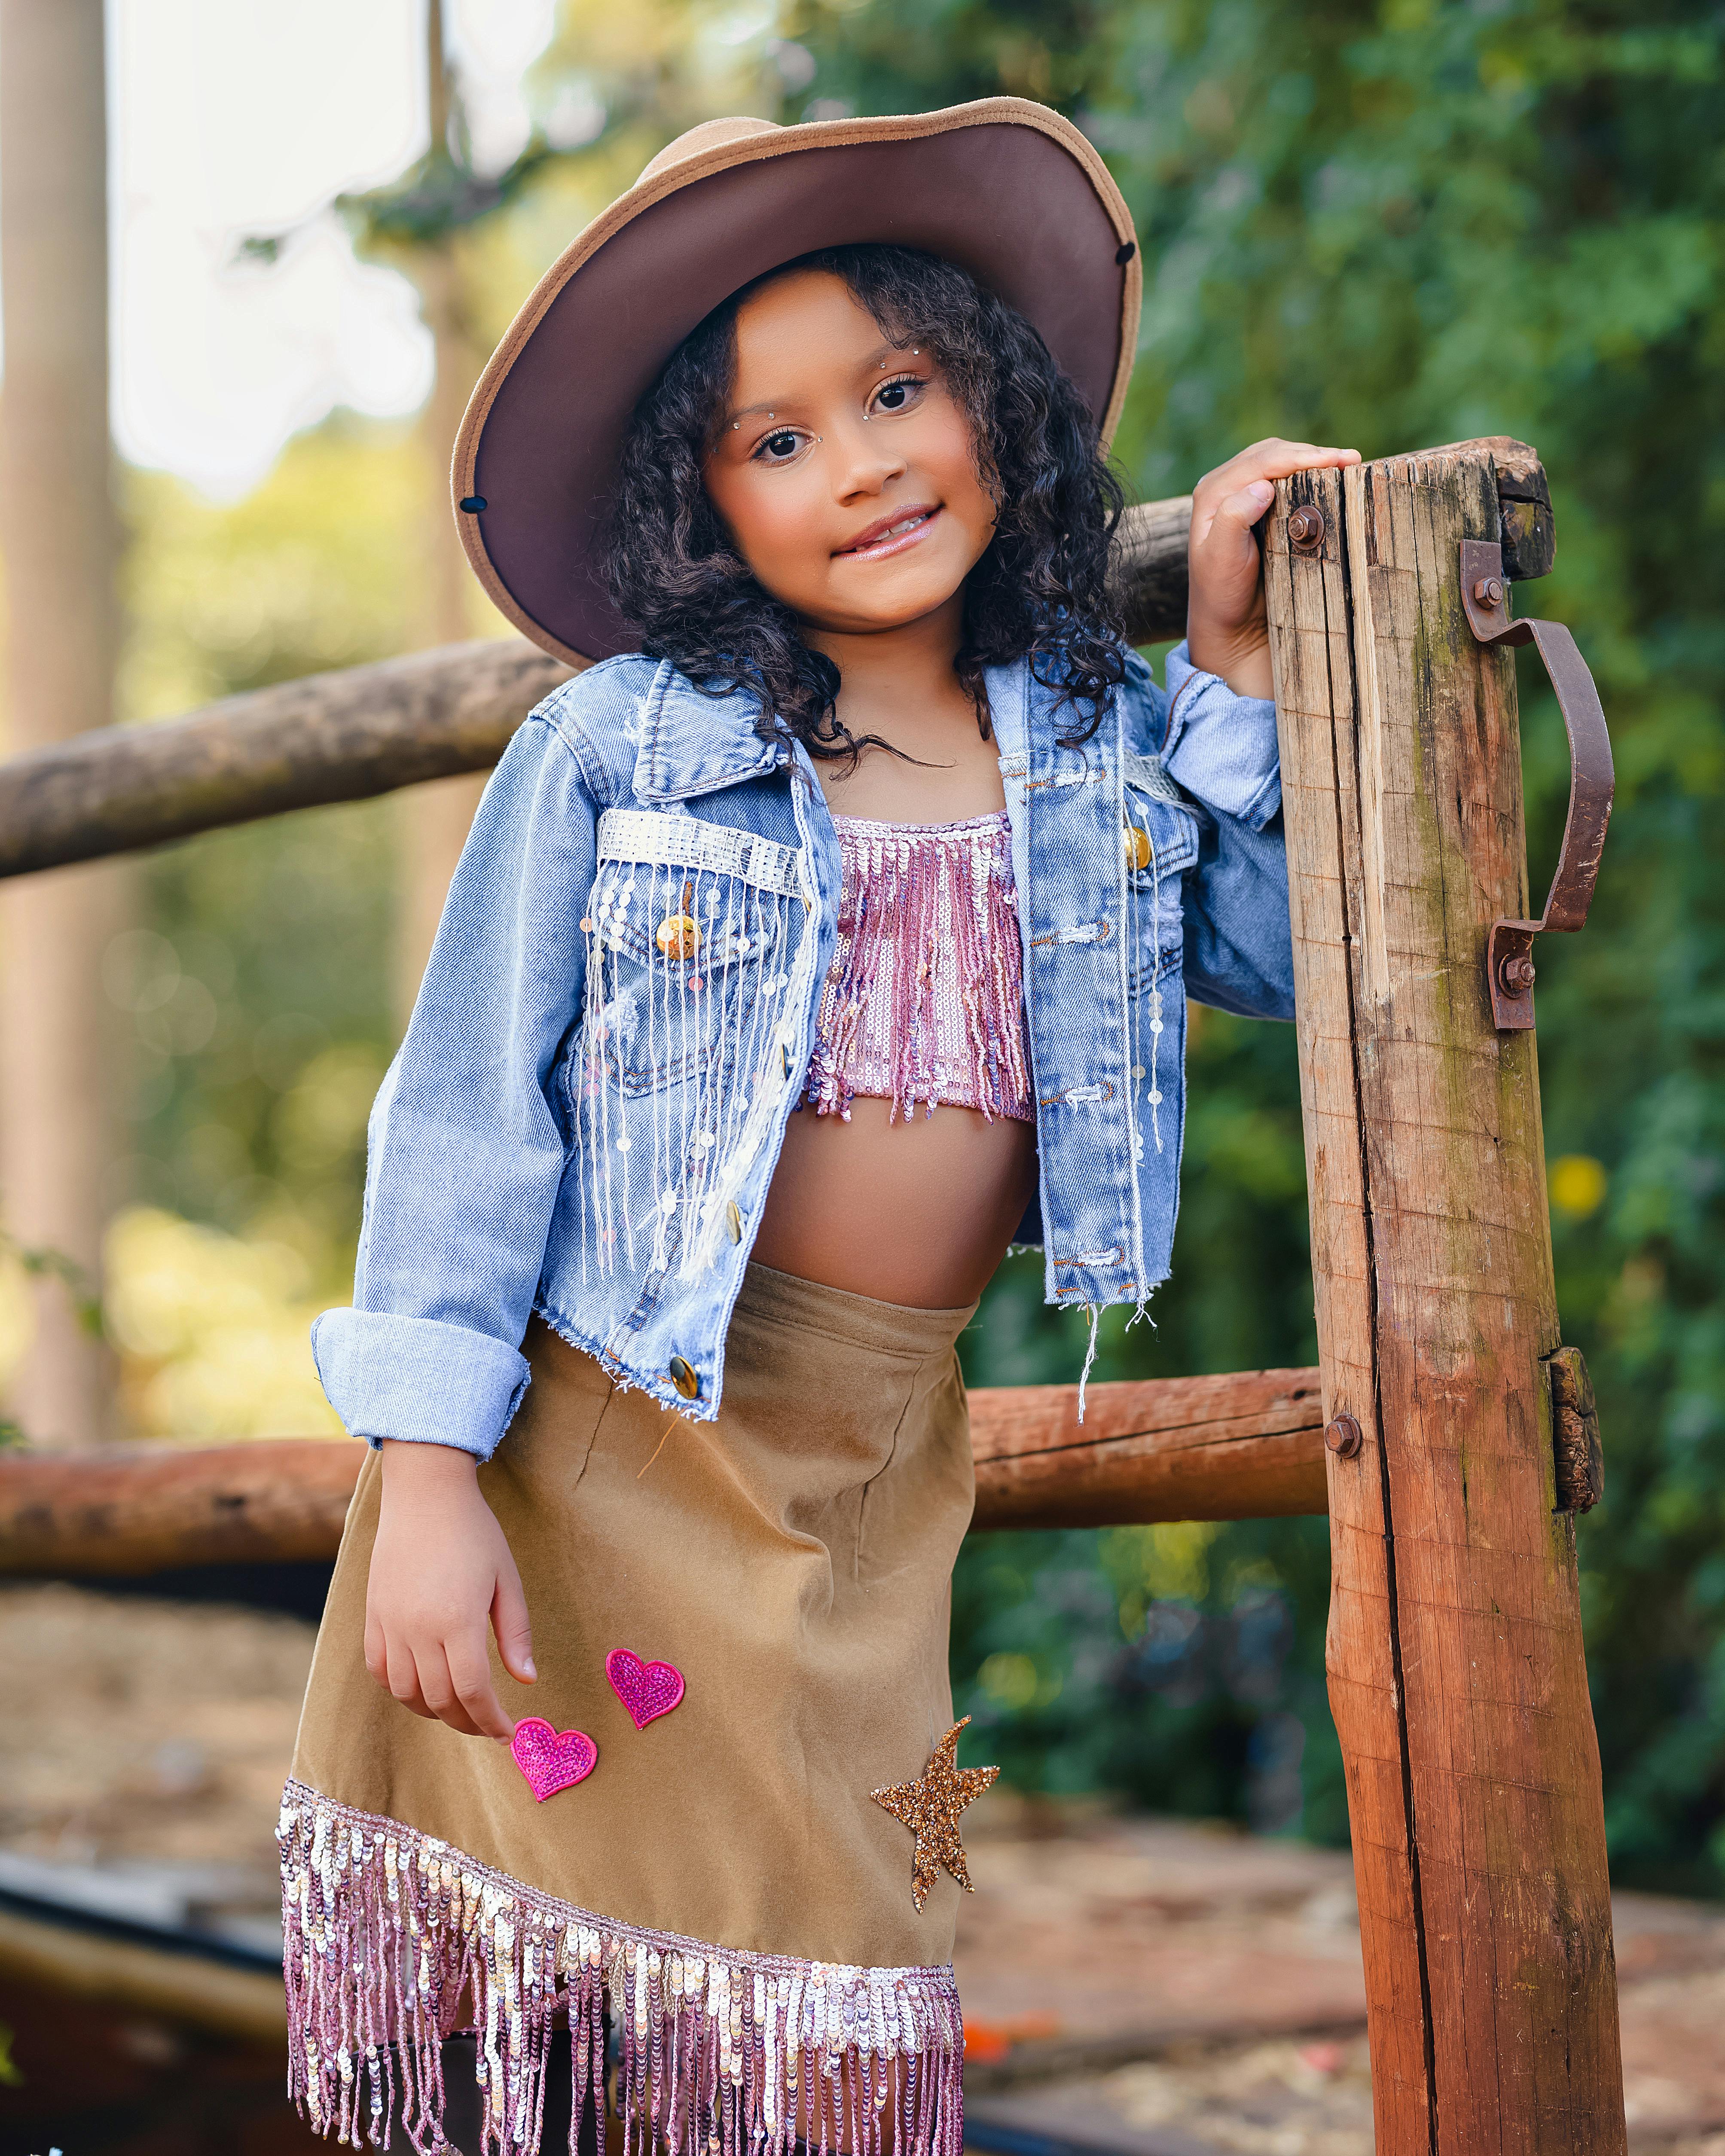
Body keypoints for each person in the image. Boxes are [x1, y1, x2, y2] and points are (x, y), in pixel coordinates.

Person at [278, 96, 1359, 2156]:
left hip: (869, 1457)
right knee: (577, 2029)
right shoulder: (618, 750)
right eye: (774, 439)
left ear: (989, 399)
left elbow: (1285, 954)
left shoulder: (1096, 731)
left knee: (827, 1995)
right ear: (704, 509)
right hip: (598, 1439)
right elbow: (463, 1112)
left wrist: (1224, 673)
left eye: (893, 389)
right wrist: (424, 1477)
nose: (857, 462)